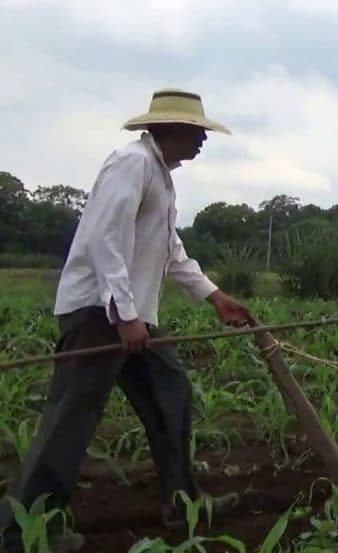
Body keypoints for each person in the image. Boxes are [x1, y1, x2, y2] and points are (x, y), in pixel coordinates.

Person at [0, 88, 254, 552]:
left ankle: (182, 506)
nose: (202, 141)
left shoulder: (161, 177)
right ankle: (21, 534)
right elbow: (104, 240)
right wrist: (122, 314)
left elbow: (170, 251)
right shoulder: (131, 163)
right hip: (99, 314)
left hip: (130, 317)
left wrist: (215, 296)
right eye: (197, 132)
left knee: (170, 395)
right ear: (170, 129)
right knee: (70, 420)